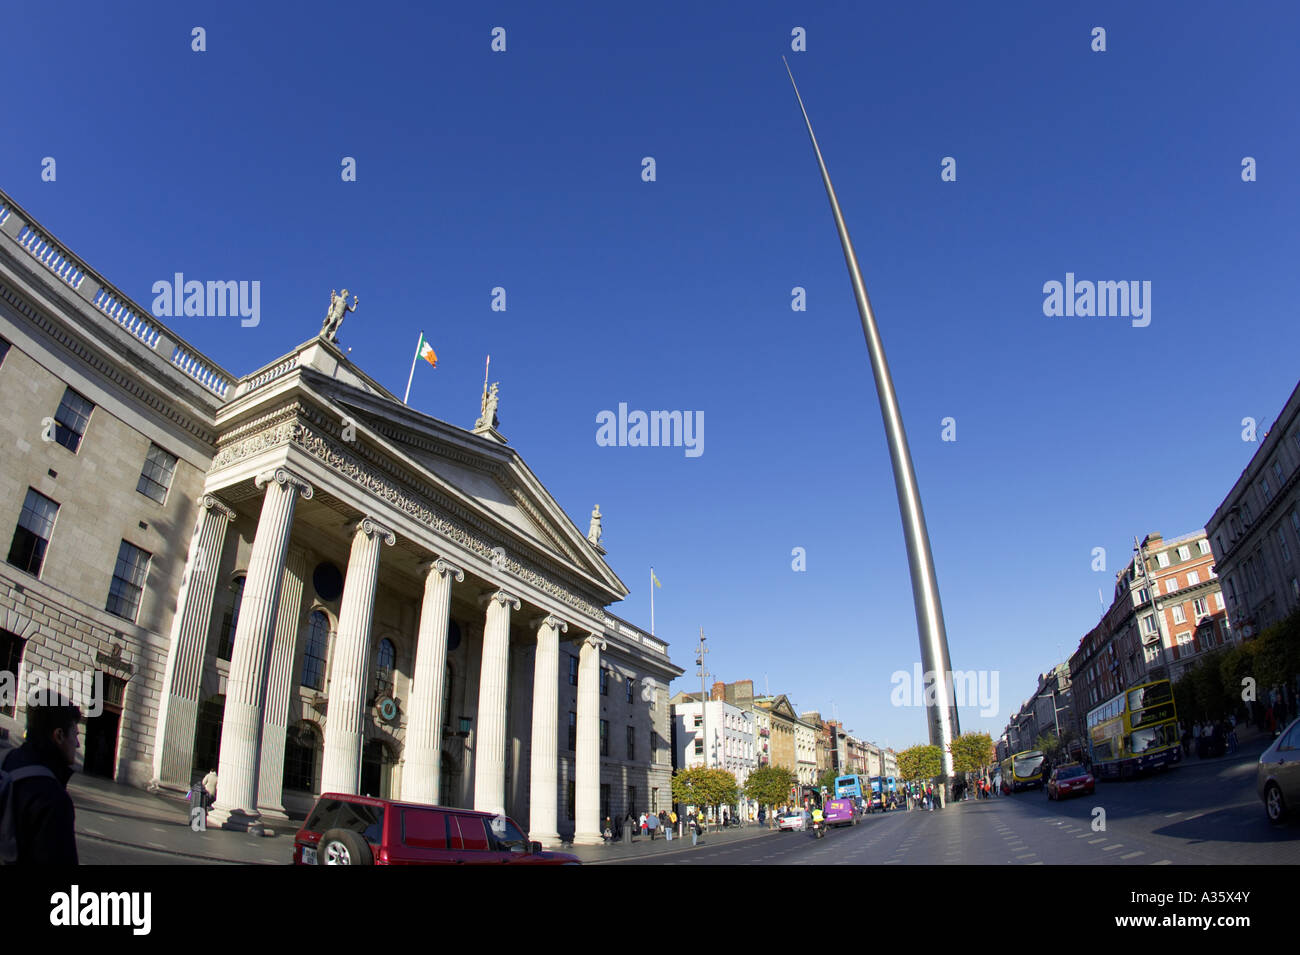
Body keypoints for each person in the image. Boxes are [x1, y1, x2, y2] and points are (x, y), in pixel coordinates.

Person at [1, 697, 81, 865]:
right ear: (59, 735)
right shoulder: (53, 799)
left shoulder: (4, 761)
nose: (78, 744)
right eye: (75, 734)